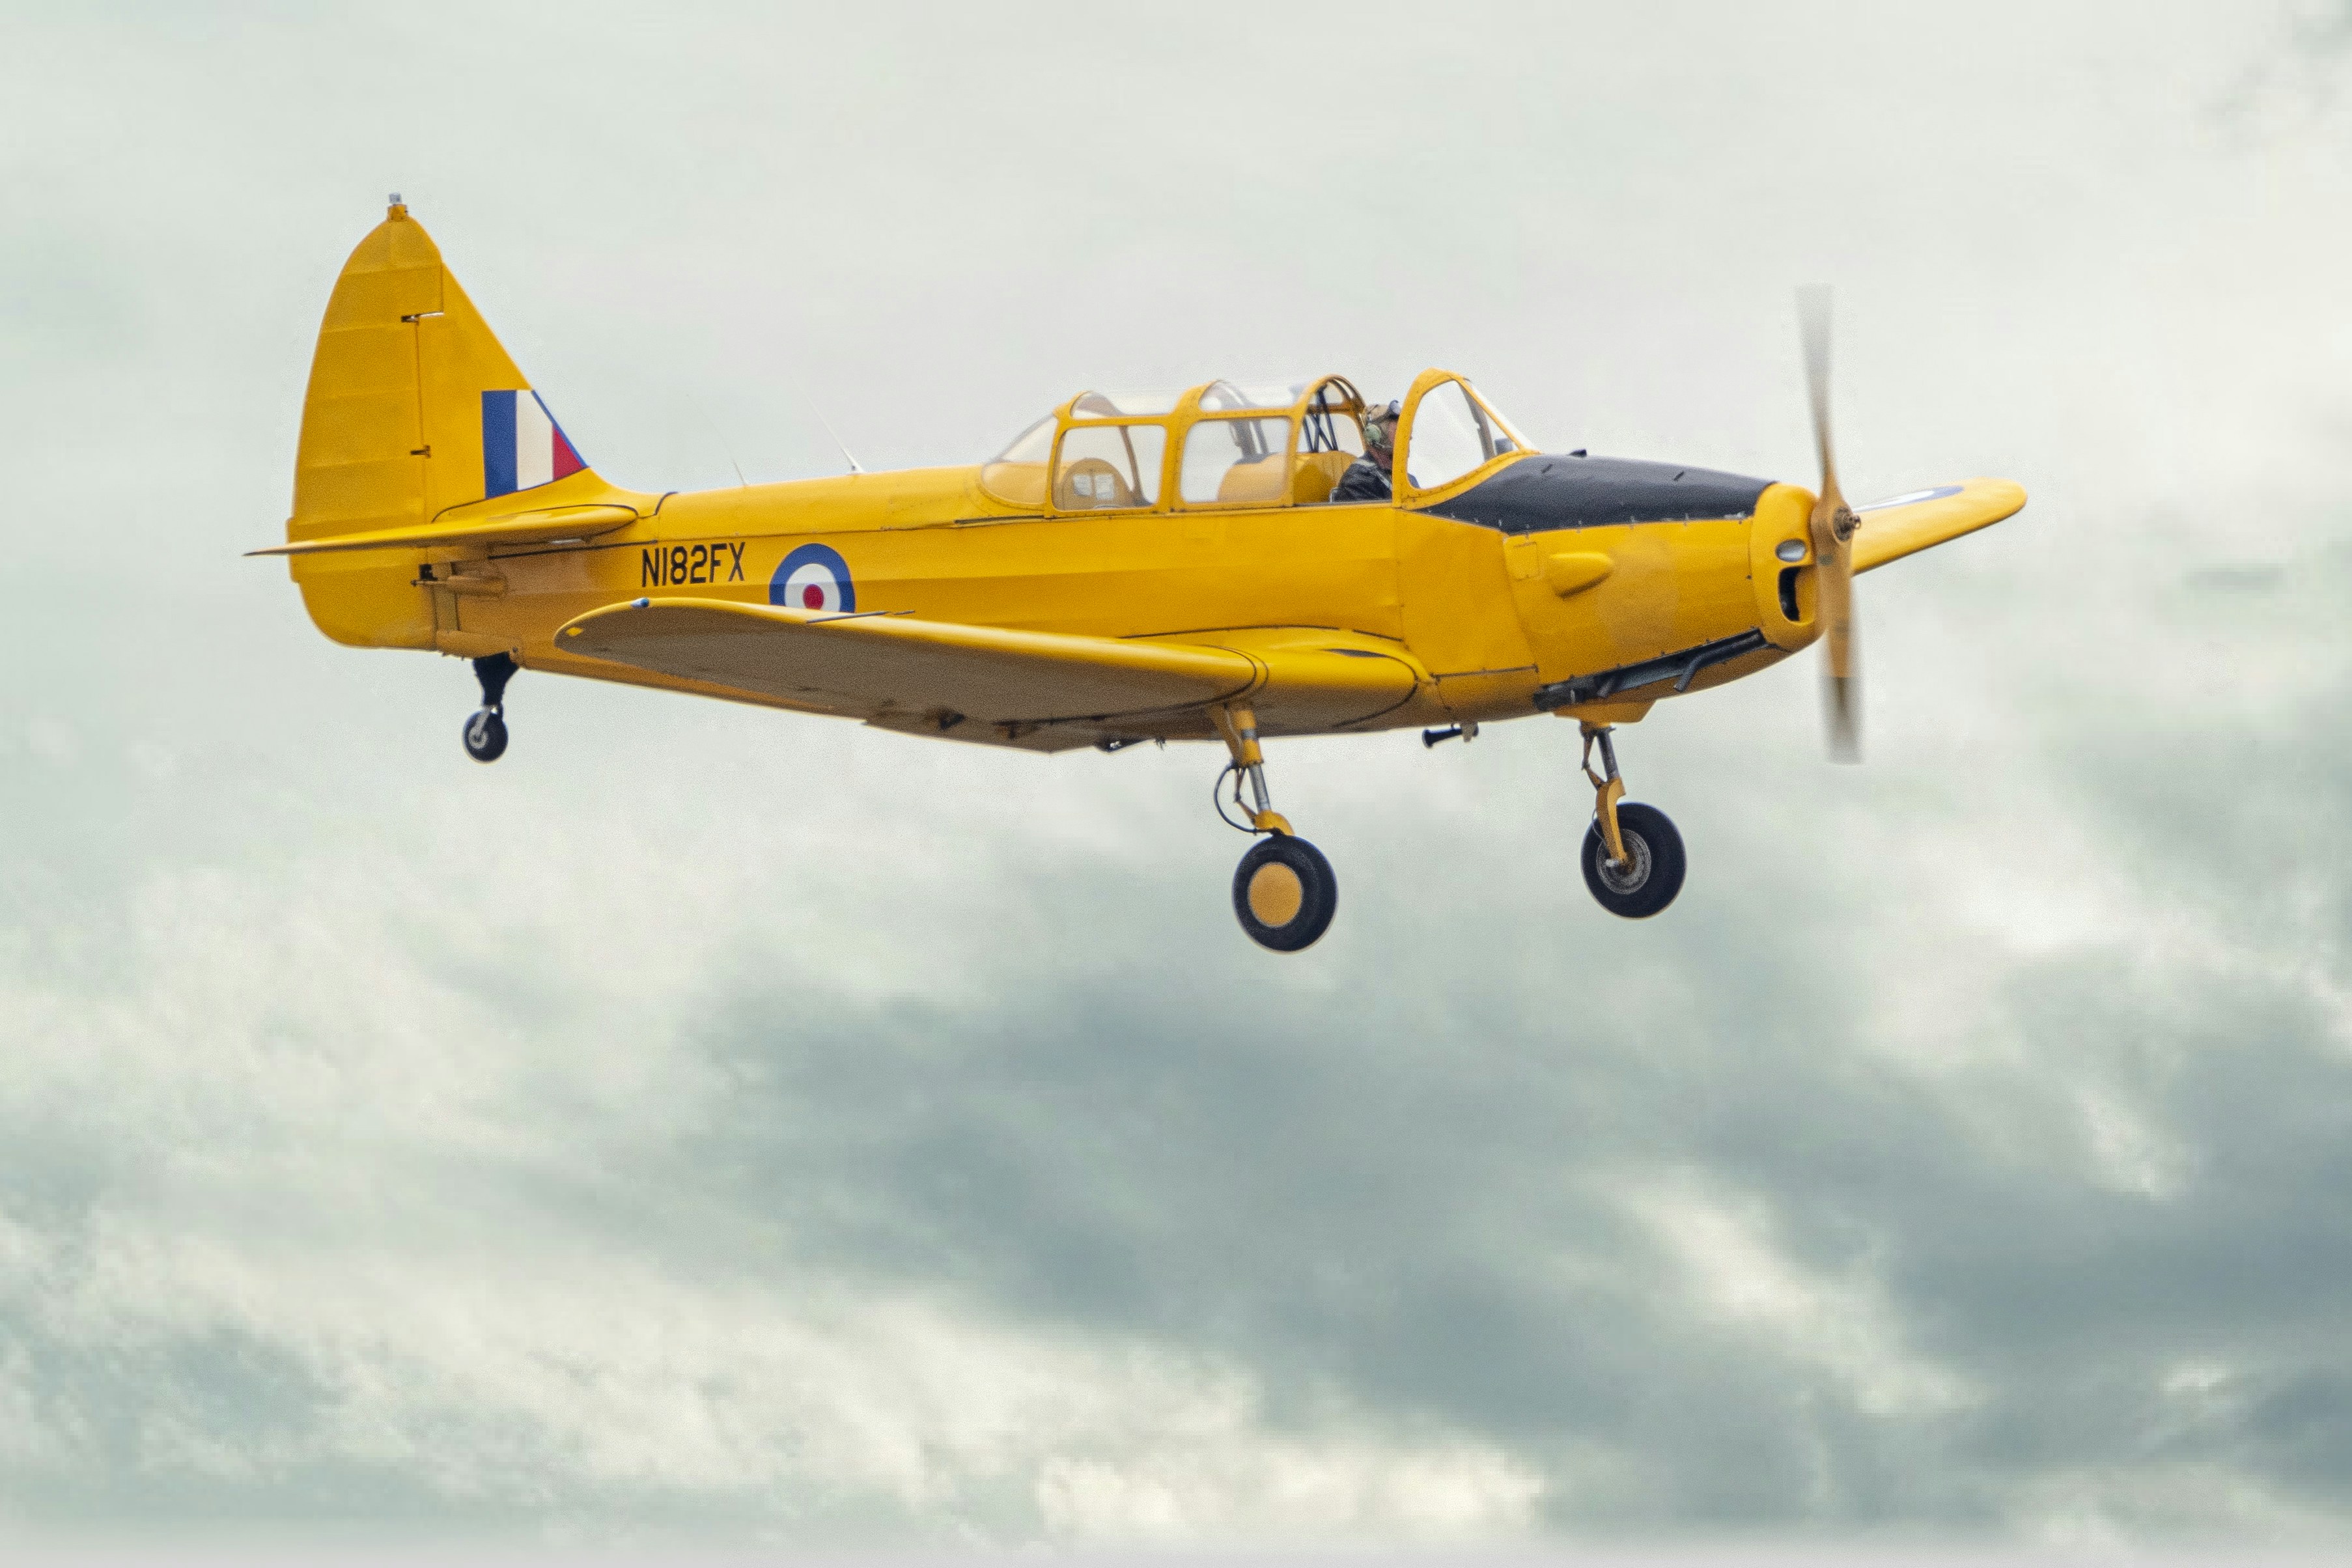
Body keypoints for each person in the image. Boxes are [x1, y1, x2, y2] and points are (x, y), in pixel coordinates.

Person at [1330, 399, 1401, 501]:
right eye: (1398, 431)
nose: (1408, 437)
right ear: (1375, 435)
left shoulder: (1403, 477)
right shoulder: (1358, 481)